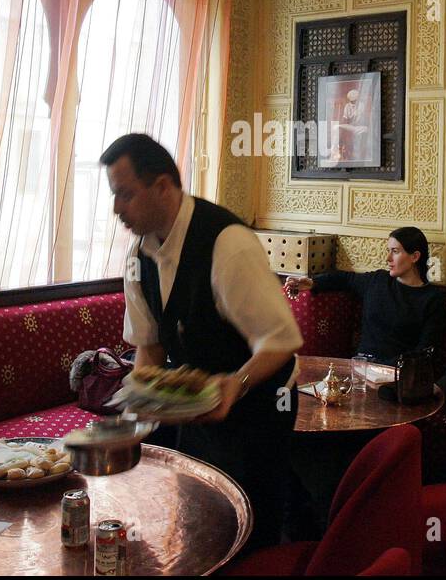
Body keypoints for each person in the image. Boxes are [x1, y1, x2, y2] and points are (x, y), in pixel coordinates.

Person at [104, 133, 302, 548]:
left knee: (249, 534)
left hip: (260, 405)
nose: (116, 208)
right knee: (200, 521)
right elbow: (150, 347)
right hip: (198, 408)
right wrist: (137, 407)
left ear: (162, 186)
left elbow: (280, 341)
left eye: (125, 194)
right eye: (114, 195)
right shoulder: (138, 257)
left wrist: (237, 384)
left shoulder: (226, 243)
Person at [285, 226, 446, 364]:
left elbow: (425, 352)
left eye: (395, 251)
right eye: (388, 251)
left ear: (415, 256)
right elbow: (344, 279)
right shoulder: (378, 280)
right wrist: (313, 283)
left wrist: (388, 371)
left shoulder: (432, 299)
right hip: (360, 369)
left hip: (397, 376)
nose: (388, 258)